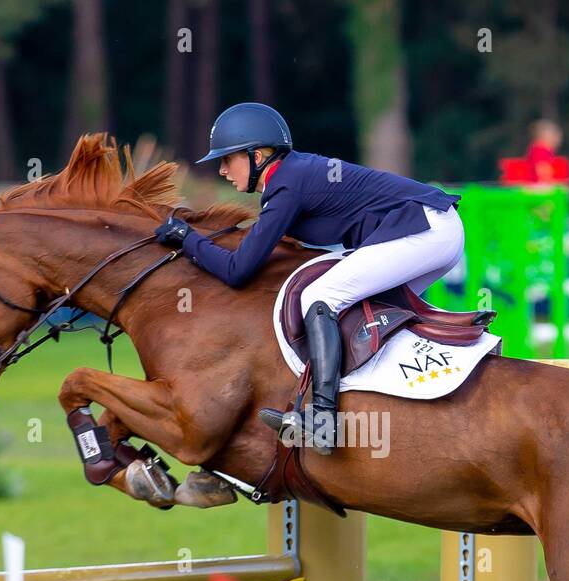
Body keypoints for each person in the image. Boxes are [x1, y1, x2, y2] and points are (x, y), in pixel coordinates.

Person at [152, 102, 465, 454]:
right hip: (432, 229)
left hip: (426, 230)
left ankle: (323, 421)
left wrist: (187, 237)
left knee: (321, 297)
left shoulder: (287, 183)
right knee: (354, 307)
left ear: (259, 156)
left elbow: (237, 270)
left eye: (228, 159)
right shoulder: (292, 176)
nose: (223, 170)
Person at [524, 119, 569, 184]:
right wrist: (549, 183)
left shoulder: (537, 149)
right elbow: (542, 169)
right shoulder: (541, 150)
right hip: (539, 187)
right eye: (556, 138)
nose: (558, 142)